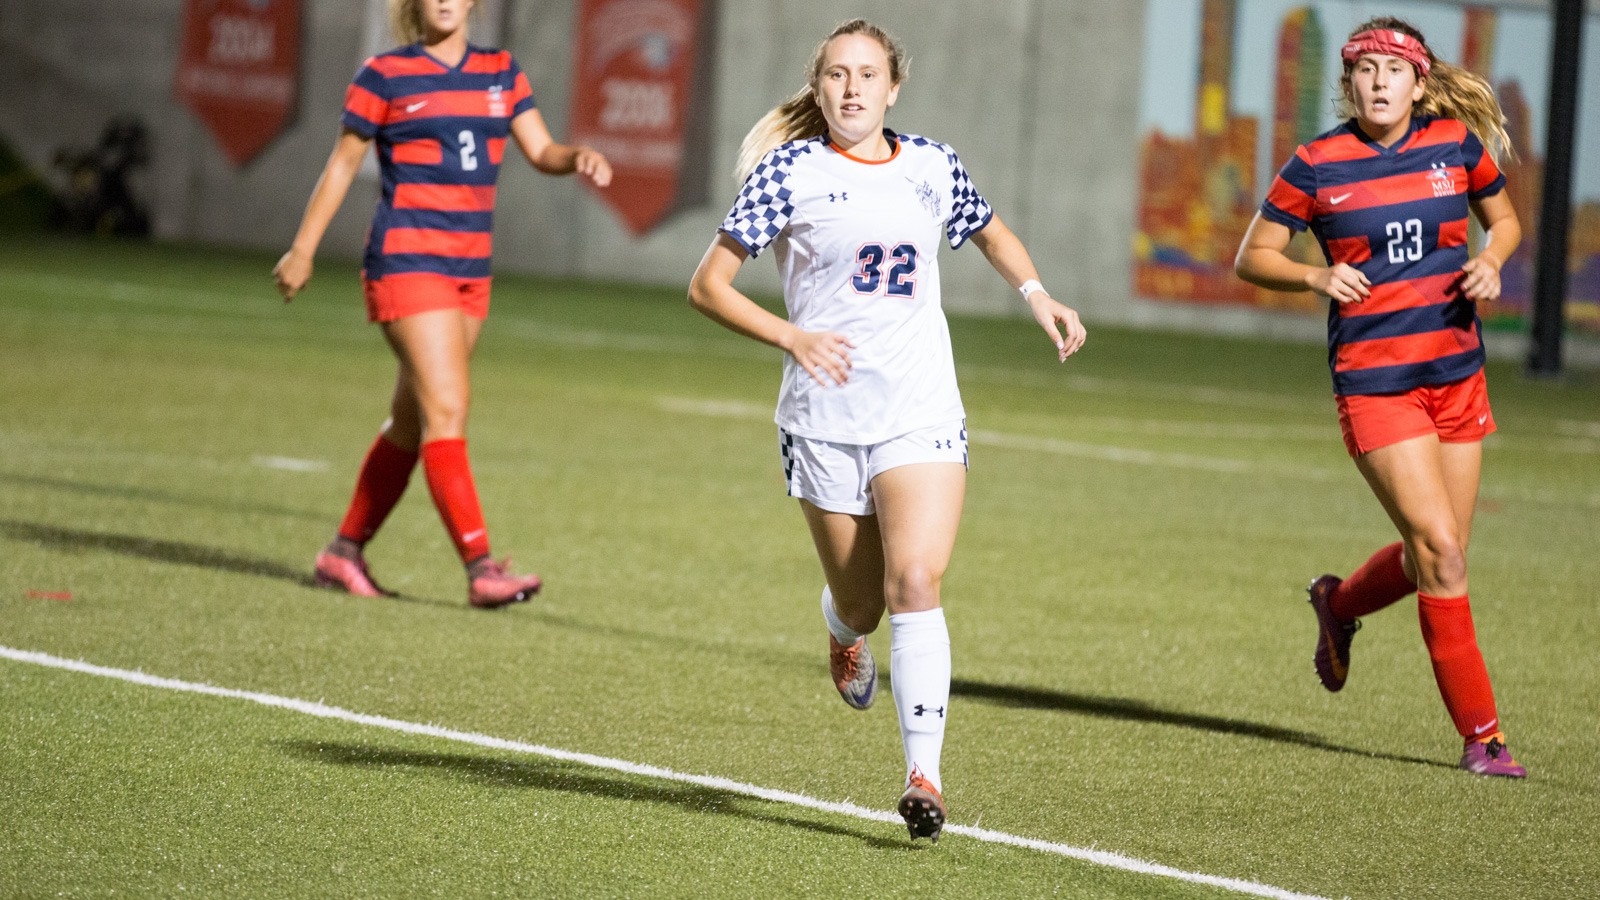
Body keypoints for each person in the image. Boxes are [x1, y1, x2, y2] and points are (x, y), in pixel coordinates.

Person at [688, 19, 1087, 840]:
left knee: (916, 582)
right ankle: (840, 630)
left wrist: (1037, 293)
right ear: (819, 86)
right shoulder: (789, 172)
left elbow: (989, 229)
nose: (853, 88)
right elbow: (709, 286)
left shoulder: (931, 166)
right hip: (824, 420)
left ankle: (924, 774)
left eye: (868, 74)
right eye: (837, 75)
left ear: (893, 85)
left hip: (921, 408)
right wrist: (791, 336)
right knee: (865, 602)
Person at [1235, 18, 1525, 776]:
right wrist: (1313, 276)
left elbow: (1506, 221)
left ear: (1418, 82)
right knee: (1440, 554)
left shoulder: (1454, 148)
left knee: (1444, 552)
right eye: (1365, 70)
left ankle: (1338, 604)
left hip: (1458, 373)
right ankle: (1484, 739)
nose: (1378, 82)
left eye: (1392, 70)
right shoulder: (1317, 162)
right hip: (1377, 385)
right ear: (1350, 81)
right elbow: (1252, 256)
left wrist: (1492, 260)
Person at [272, 0, 610, 608]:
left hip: (469, 271)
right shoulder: (384, 74)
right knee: (449, 409)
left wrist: (574, 157)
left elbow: (540, 150)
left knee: (412, 420)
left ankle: (342, 553)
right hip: (406, 262)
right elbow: (343, 164)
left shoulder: (502, 71)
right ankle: (482, 569)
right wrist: (302, 249)